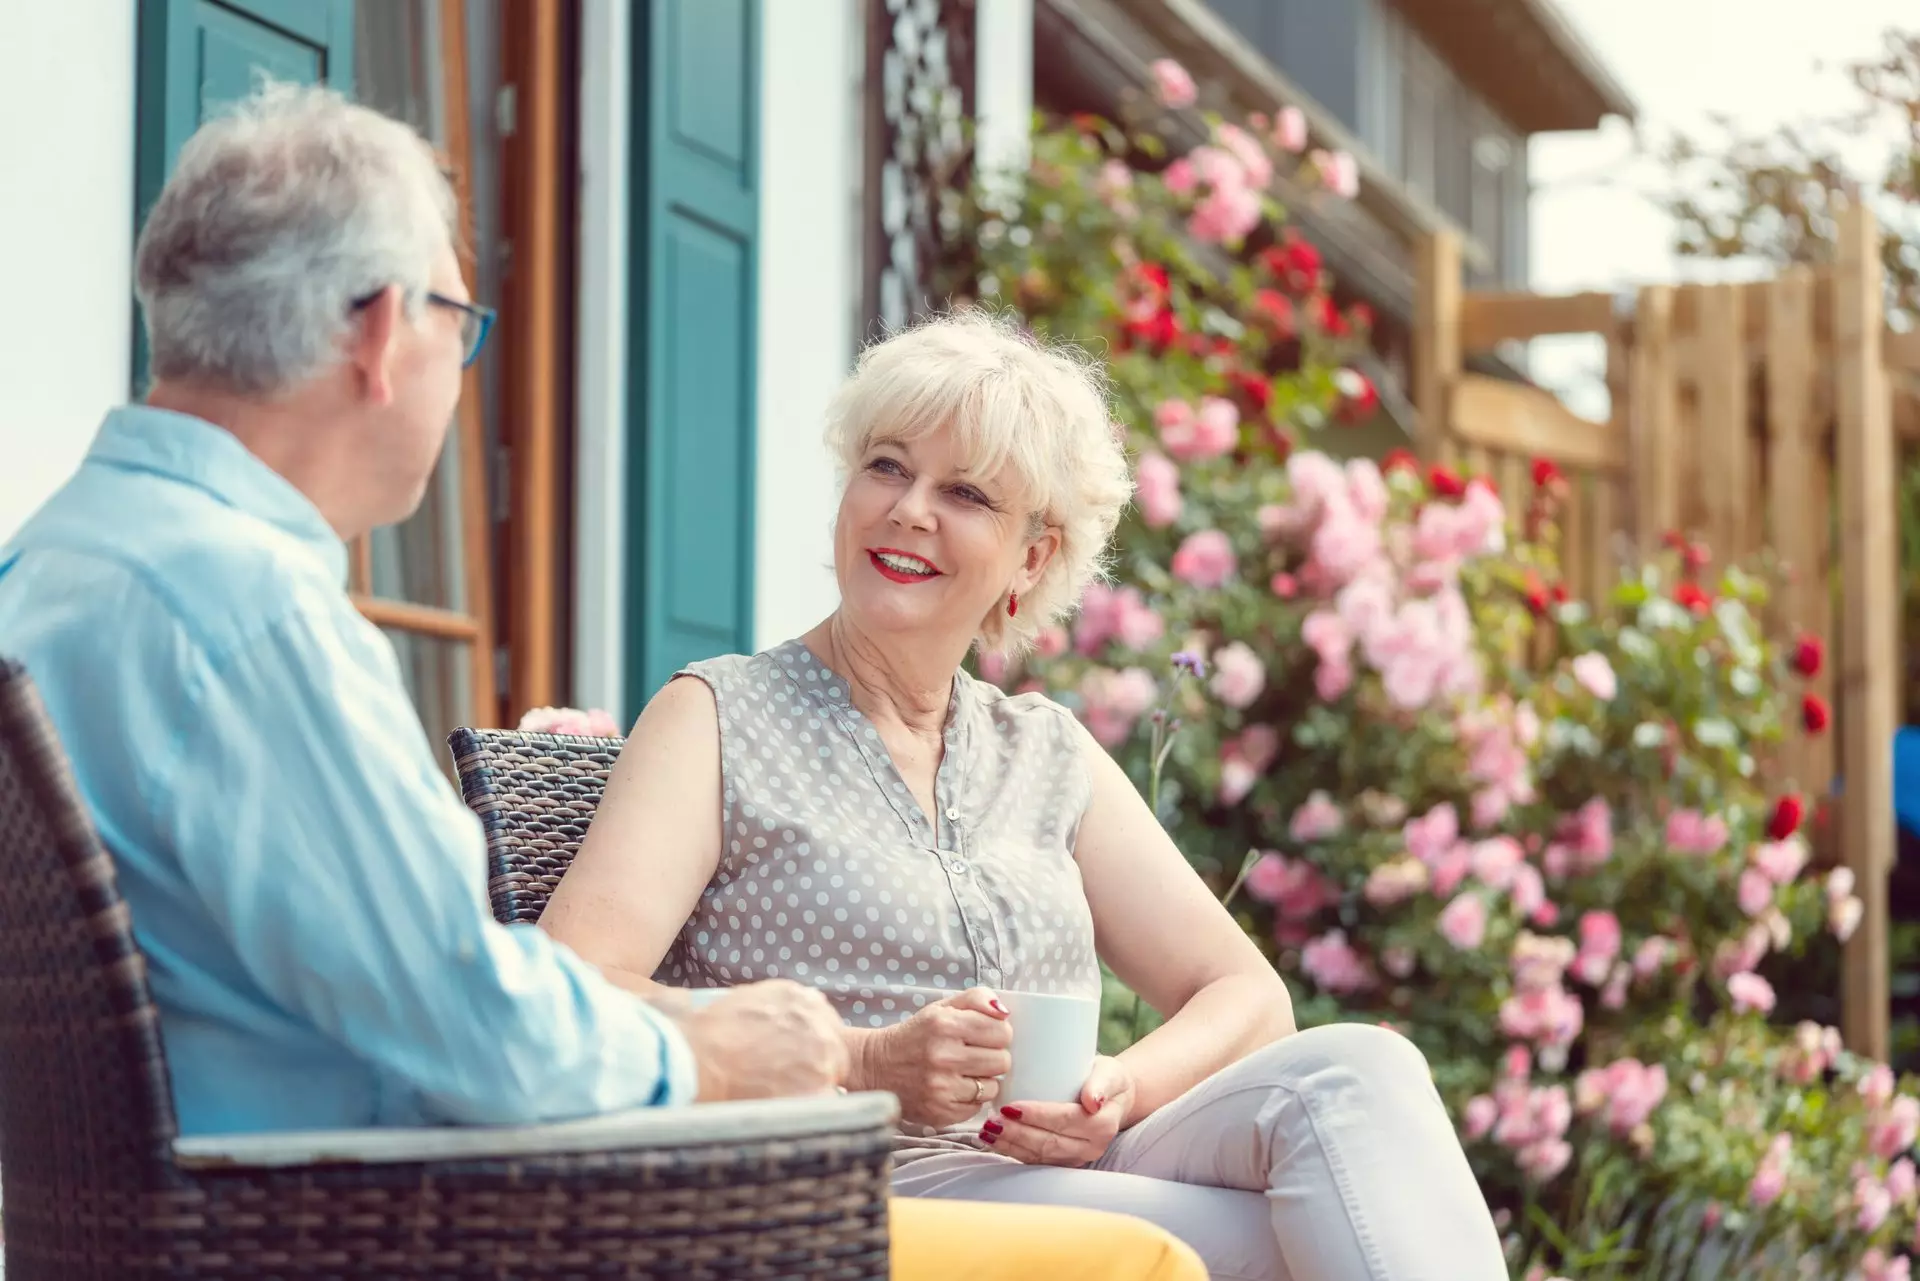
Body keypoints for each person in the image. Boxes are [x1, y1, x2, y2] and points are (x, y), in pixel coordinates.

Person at [0, 81, 1210, 1281]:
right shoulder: (246, 616)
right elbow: (473, 1034)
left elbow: (429, 993)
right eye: (463, 328)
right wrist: (744, 1058)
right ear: (381, 334)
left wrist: (700, 1025)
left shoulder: (49, 569)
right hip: (380, 1223)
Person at [542, 310, 1511, 1281]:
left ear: (1034, 557)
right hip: (853, 1190)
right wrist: (868, 1058)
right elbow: (570, 990)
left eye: (963, 491)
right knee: (1298, 1239)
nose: (908, 509)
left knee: (1360, 1077)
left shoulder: (1045, 752)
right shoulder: (720, 717)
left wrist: (1117, 1091)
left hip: (1053, 1170)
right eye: (885, 466)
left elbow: (1249, 996)